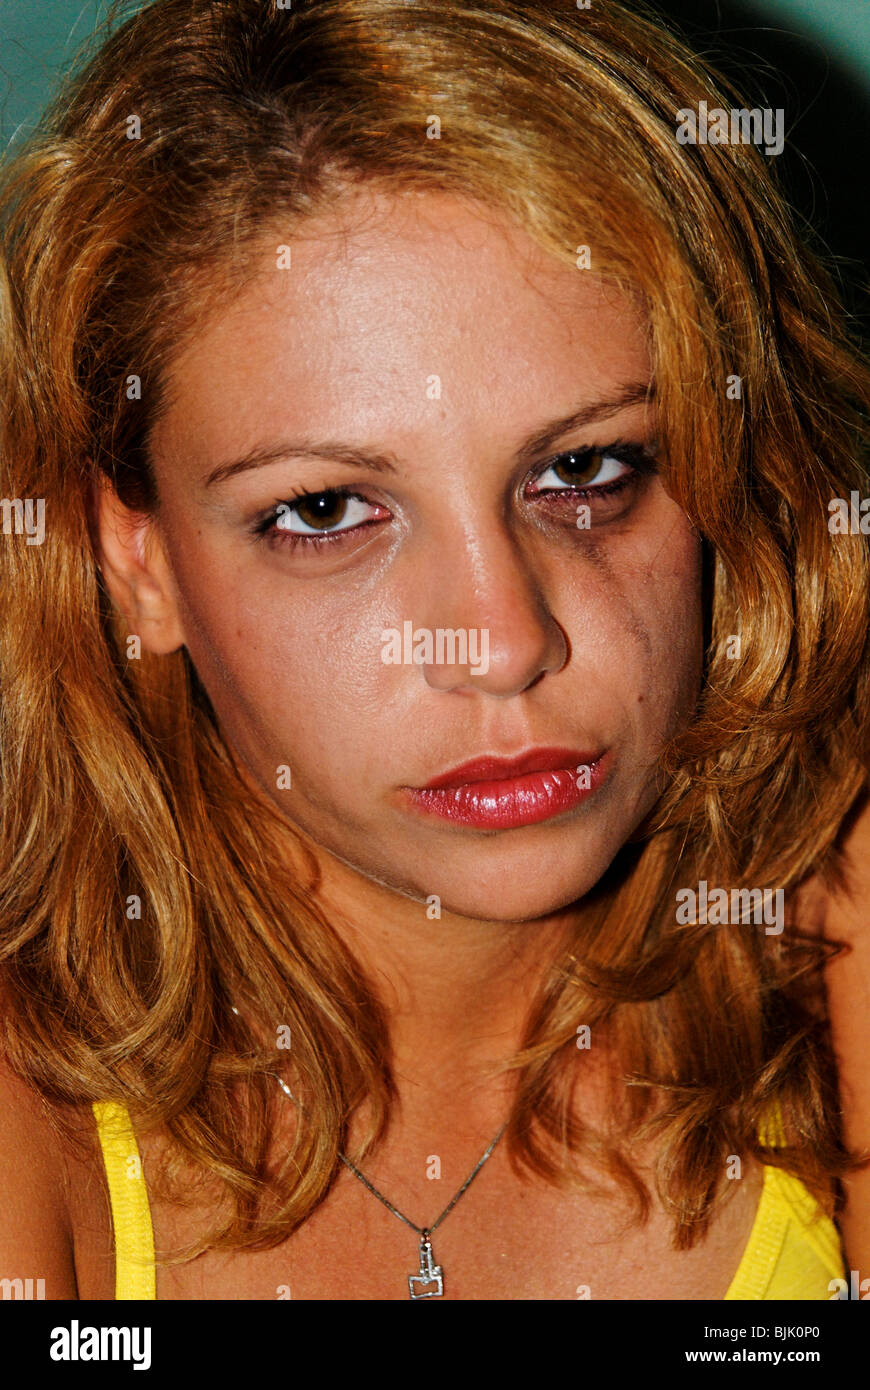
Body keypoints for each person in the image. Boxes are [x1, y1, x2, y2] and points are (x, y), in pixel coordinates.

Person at [0, 0, 868, 1301]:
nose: (505, 643)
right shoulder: (32, 1110)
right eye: (325, 510)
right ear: (140, 563)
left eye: (586, 469)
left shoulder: (829, 933)